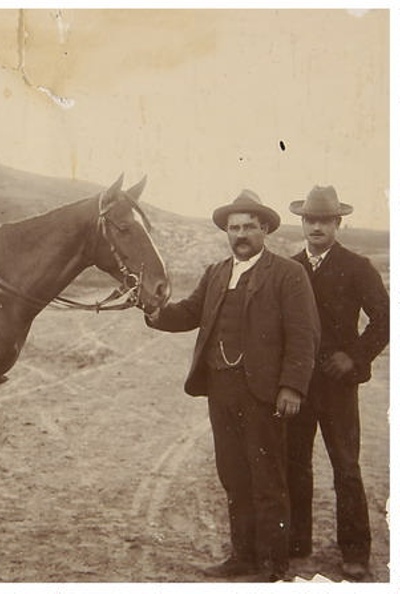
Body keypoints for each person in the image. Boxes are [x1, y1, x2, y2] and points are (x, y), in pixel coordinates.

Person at [144, 190, 320, 582]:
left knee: (267, 478)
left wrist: (292, 387)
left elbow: (303, 334)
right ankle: (242, 557)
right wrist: (156, 315)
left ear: (265, 230)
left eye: (249, 227)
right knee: (233, 475)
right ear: (226, 231)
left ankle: (272, 565)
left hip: (264, 393)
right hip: (221, 391)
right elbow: (190, 312)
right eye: (234, 227)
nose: (241, 234)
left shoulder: (288, 274)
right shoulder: (217, 272)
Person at [285, 185, 389, 581]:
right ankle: (297, 542)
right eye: (310, 219)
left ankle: (355, 552)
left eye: (324, 220)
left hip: (338, 386)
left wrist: (355, 357)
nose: (316, 226)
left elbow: (384, 319)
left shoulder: (358, 266)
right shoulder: (290, 267)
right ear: (303, 222)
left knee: (345, 466)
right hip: (298, 383)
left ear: (337, 223)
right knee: (295, 462)